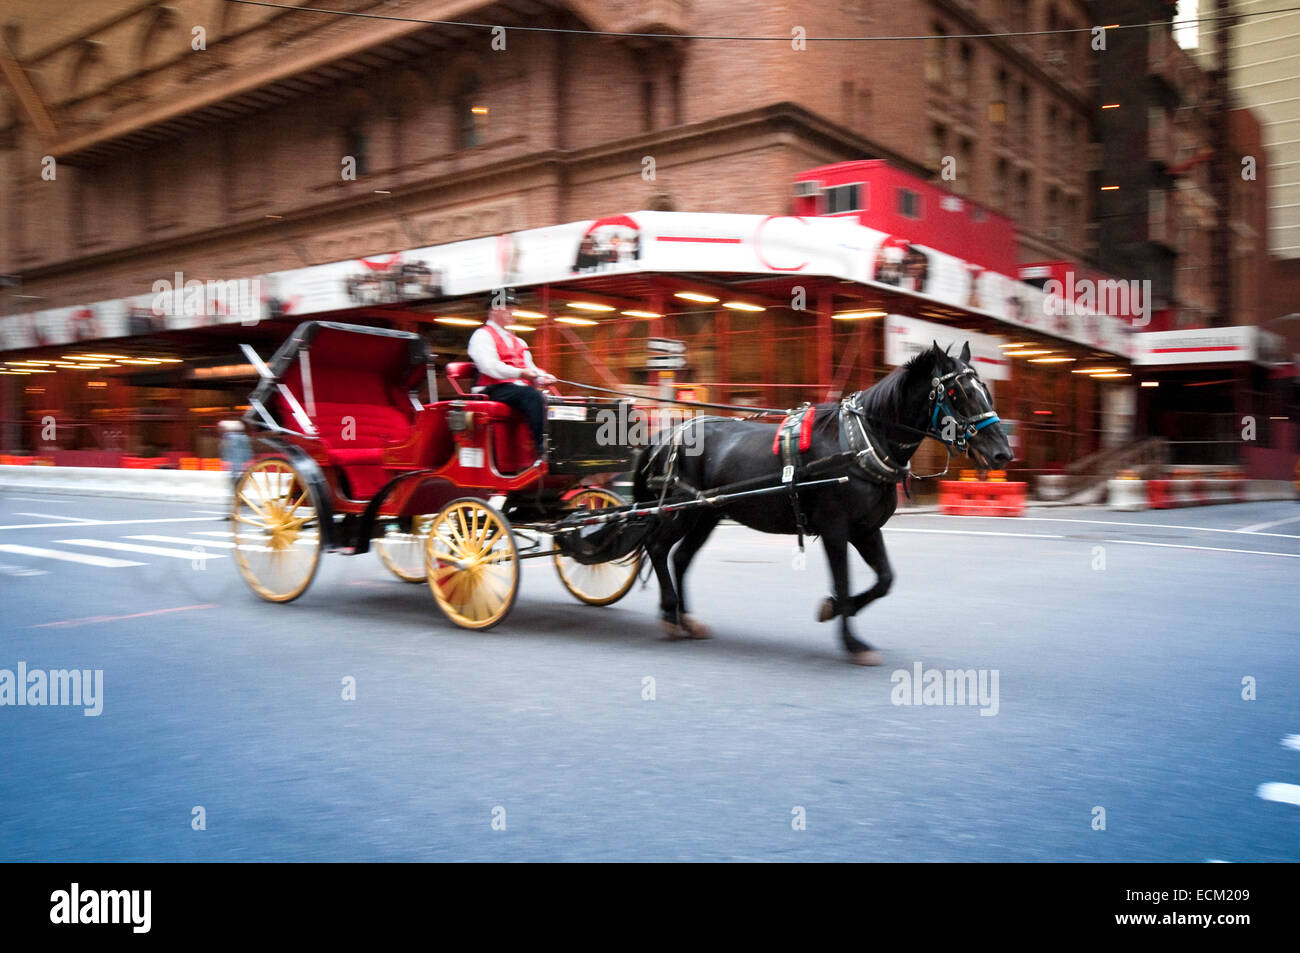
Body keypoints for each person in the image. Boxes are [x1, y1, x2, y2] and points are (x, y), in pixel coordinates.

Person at [466, 291, 555, 455]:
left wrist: (543, 377)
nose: (512, 312)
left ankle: (557, 444)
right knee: (532, 395)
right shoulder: (482, 336)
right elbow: (489, 367)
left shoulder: (518, 341)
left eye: (513, 308)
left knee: (553, 401)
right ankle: (541, 447)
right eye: (508, 308)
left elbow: (530, 367)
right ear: (494, 309)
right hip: (492, 389)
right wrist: (521, 373)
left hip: (515, 389)